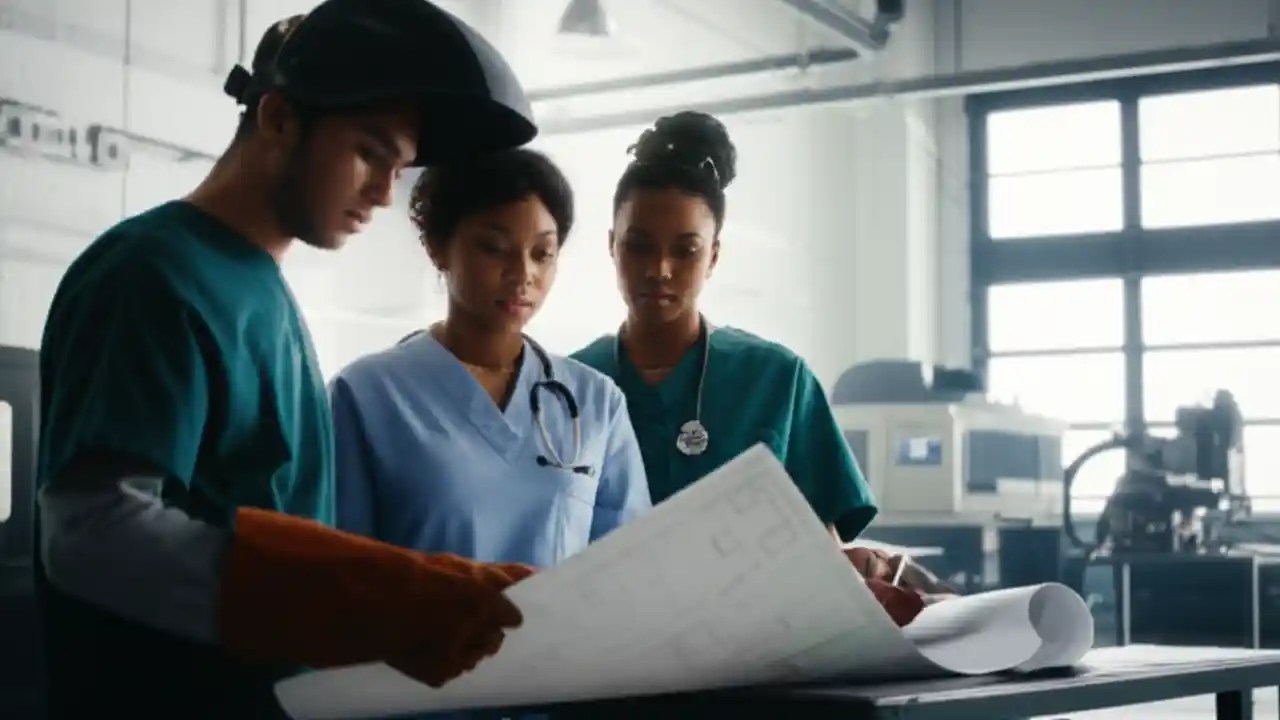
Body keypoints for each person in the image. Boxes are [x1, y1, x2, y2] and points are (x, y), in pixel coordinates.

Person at [33, 2, 545, 717]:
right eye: (369, 152)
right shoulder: (153, 274)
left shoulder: (264, 293)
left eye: (398, 168)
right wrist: (376, 595)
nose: (383, 192)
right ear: (277, 120)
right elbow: (90, 534)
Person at [570, 111, 928, 626]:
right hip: (608, 654)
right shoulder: (570, 386)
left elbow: (820, 544)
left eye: (686, 250)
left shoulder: (777, 380)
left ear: (713, 256)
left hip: (758, 656)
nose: (659, 269)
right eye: (639, 245)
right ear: (612, 246)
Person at [330, 148, 651, 575]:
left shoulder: (596, 404)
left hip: (567, 643)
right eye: (495, 248)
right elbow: (337, 572)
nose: (523, 275)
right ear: (438, 246)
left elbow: (629, 571)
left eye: (542, 254)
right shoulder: (366, 395)